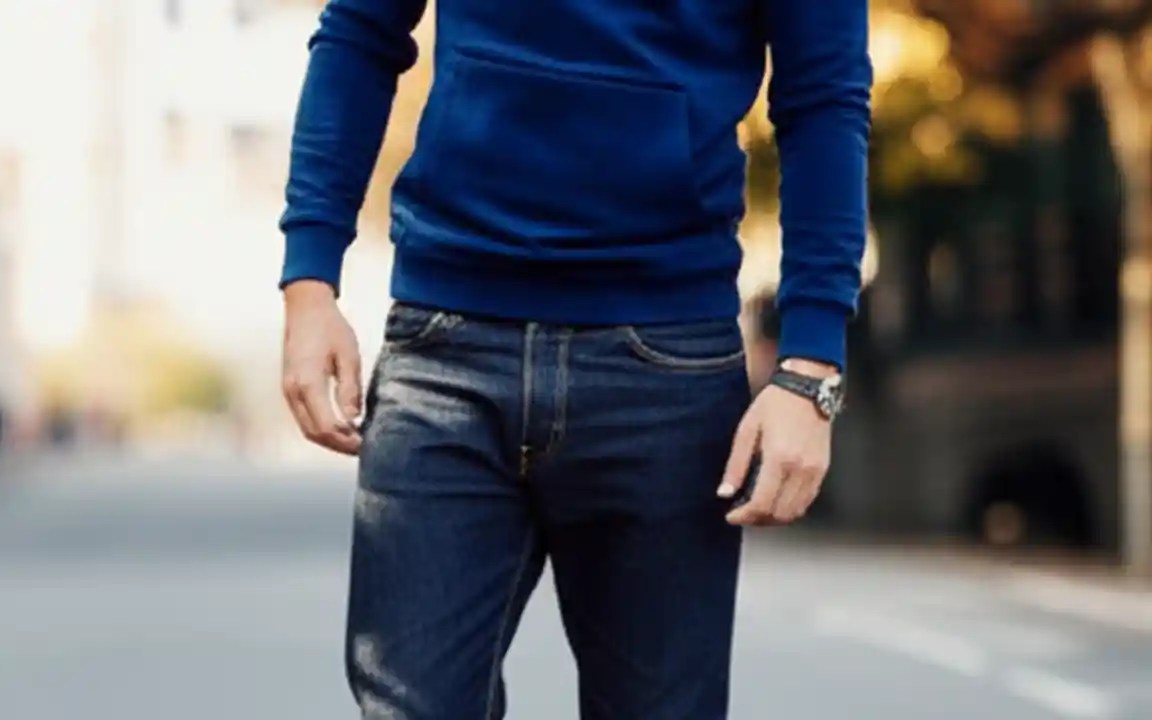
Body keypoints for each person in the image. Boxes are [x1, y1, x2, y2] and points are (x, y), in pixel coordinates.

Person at [279, 0, 870, 716]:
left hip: (666, 367)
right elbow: (360, 32)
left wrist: (811, 367)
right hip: (446, 346)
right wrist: (309, 283)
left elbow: (824, 100)